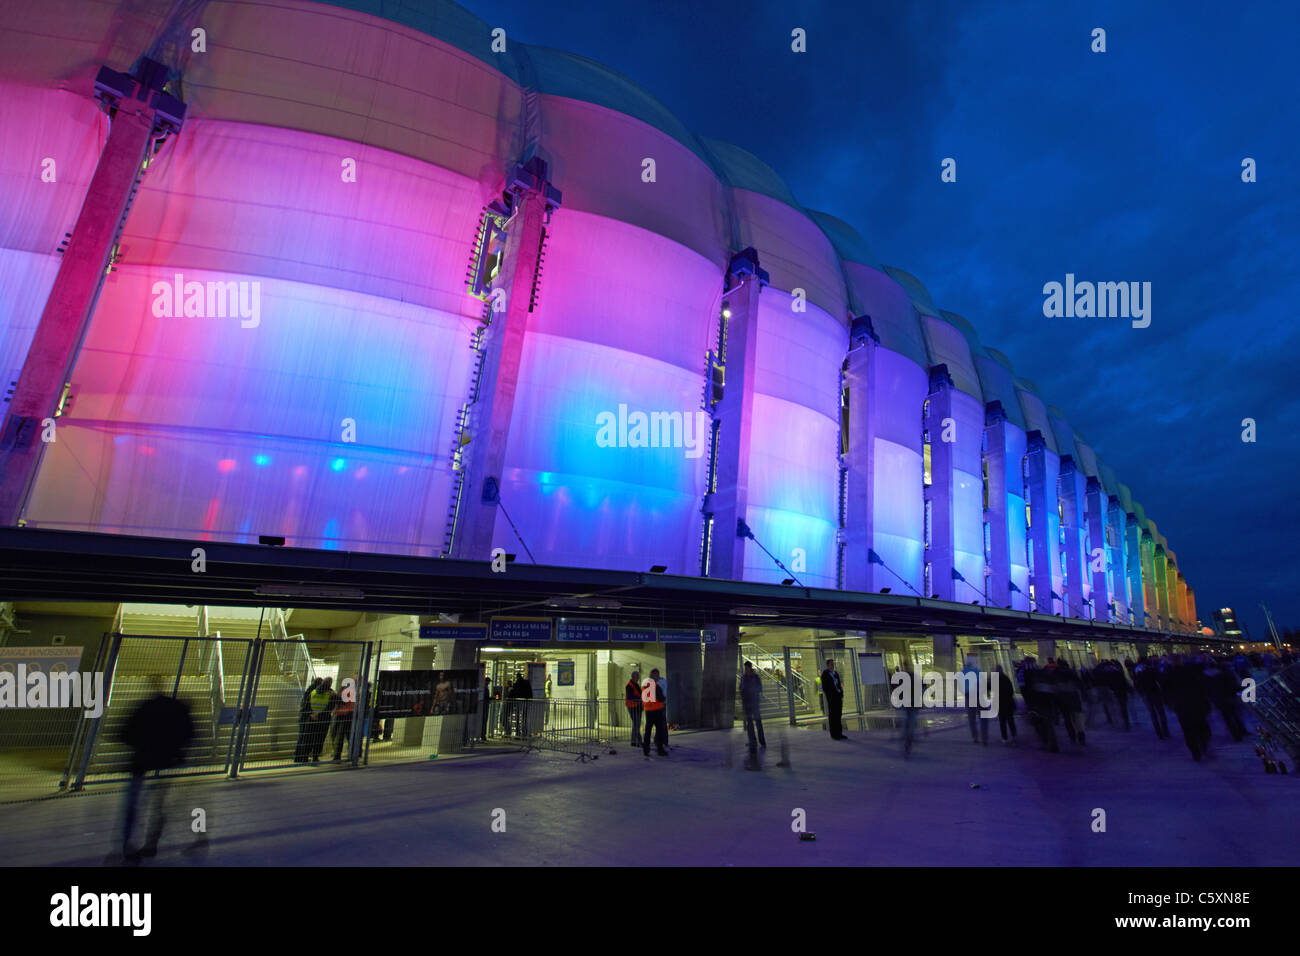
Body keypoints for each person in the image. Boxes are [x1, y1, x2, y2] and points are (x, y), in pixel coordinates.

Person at [120, 679, 194, 862]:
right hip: (167, 762)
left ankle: (129, 845)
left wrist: (141, 744)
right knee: (158, 806)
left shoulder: (143, 707)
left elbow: (124, 733)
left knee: (134, 807)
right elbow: (190, 733)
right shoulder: (177, 709)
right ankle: (151, 843)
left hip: (141, 763)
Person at [1133, 656, 1170, 739]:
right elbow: (1159, 679)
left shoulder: (1137, 670)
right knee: (1161, 712)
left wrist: (1141, 693)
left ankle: (1159, 733)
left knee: (1153, 714)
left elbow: (1136, 684)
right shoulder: (1151, 669)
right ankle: (1165, 731)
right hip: (1155, 692)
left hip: (1146, 694)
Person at [307, 676, 336, 762]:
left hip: (313, 718)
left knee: (311, 737)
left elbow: (307, 702)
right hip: (324, 719)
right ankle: (315, 756)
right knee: (320, 738)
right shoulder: (330, 693)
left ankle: (307, 754)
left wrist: (311, 713)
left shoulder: (314, 691)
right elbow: (331, 706)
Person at [641, 667, 668, 756]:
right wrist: (663, 699)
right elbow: (661, 698)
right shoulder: (655, 686)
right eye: (657, 675)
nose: (658, 677)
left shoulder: (644, 684)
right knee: (660, 730)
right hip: (657, 710)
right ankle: (660, 750)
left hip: (648, 710)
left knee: (648, 731)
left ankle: (646, 749)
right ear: (653, 675)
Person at [330, 674, 358, 762]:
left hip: (342, 715)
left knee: (339, 736)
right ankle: (353, 754)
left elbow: (341, 702)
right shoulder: (355, 692)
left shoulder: (345, 691)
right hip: (351, 715)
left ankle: (337, 755)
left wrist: (334, 696)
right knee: (350, 736)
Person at [295, 677, 323, 762]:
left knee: (302, 736)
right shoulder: (313, 692)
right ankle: (302, 756)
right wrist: (311, 713)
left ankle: (298, 756)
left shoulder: (309, 690)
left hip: (304, 716)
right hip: (307, 717)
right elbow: (307, 704)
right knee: (305, 737)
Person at [740, 661, 766, 750]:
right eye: (745, 668)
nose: (745, 670)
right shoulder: (743, 677)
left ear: (750, 668)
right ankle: (752, 741)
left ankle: (761, 741)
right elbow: (741, 688)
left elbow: (759, 688)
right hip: (747, 703)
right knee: (750, 724)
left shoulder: (755, 677)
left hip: (754, 703)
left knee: (758, 722)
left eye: (747, 668)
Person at [962, 656, 989, 745]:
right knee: (983, 717)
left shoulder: (962, 672)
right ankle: (984, 737)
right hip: (979, 694)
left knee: (972, 718)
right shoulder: (977, 671)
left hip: (969, 696)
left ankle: (975, 737)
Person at [820, 659, 847, 739]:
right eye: (831, 664)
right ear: (828, 665)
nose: (833, 665)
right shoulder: (825, 674)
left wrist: (841, 693)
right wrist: (830, 695)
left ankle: (839, 733)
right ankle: (834, 734)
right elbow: (825, 687)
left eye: (833, 664)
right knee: (833, 716)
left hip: (838, 696)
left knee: (838, 715)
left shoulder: (835, 673)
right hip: (832, 698)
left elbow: (839, 684)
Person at [995, 665, 1017, 744]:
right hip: (1006, 704)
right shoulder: (1006, 678)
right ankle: (1013, 735)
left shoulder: (999, 679)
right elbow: (1011, 691)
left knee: (1003, 721)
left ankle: (1005, 737)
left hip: (1003, 704)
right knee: (1009, 721)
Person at [625, 670, 643, 748]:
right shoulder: (629, 685)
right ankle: (636, 741)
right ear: (633, 677)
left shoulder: (637, 685)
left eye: (638, 676)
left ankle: (636, 741)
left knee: (636, 725)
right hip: (632, 707)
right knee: (636, 724)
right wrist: (639, 698)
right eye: (637, 676)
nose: (638, 678)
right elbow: (630, 696)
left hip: (638, 707)